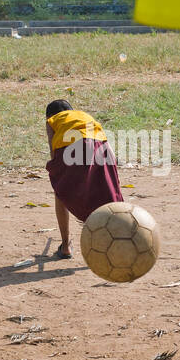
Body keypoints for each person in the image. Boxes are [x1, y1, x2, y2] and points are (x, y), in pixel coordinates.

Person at [44, 99, 123, 258]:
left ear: (49, 115)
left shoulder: (52, 121)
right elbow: (109, 149)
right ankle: (119, 239)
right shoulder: (85, 116)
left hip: (73, 149)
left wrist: (59, 175)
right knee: (107, 192)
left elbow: (54, 155)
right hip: (101, 148)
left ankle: (66, 246)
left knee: (61, 191)